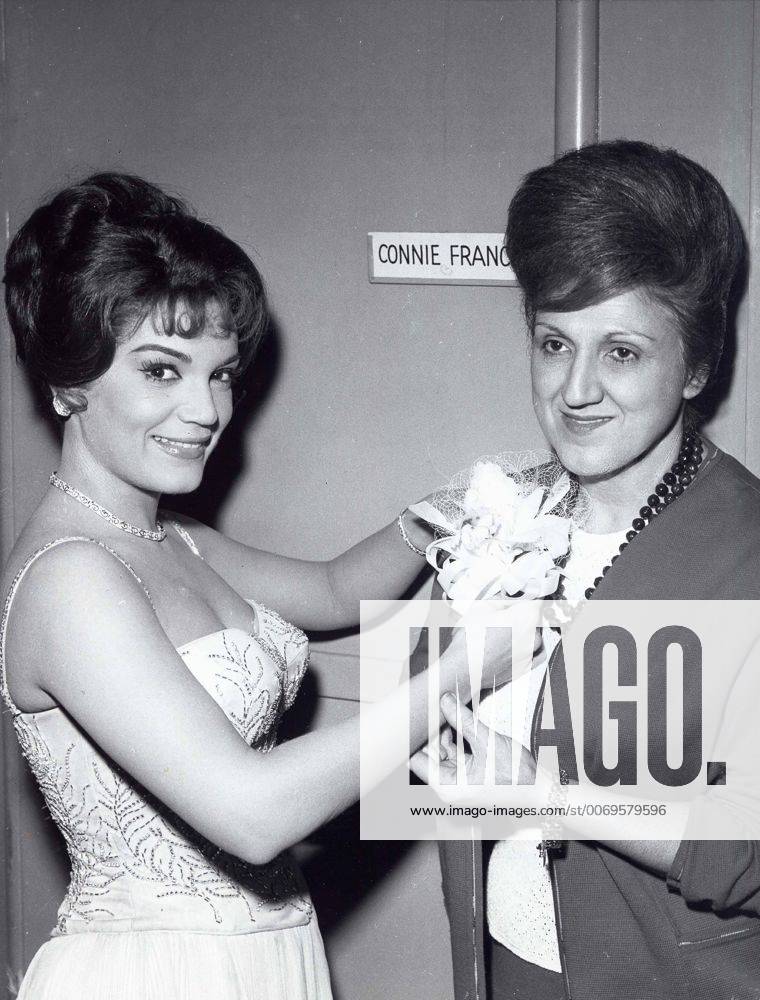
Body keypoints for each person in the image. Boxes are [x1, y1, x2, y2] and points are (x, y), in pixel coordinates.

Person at [0, 173, 514, 1000]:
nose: (207, 410)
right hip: (159, 977)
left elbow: (336, 590)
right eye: (162, 371)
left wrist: (446, 512)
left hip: (272, 956)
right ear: (68, 383)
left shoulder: (177, 540)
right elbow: (251, 812)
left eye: (222, 374)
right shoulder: (67, 581)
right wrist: (463, 673)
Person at [412, 140, 760, 999]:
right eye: (554, 344)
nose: (574, 390)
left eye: (623, 352)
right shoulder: (494, 515)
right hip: (506, 961)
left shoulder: (747, 549)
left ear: (698, 366)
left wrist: (547, 794)